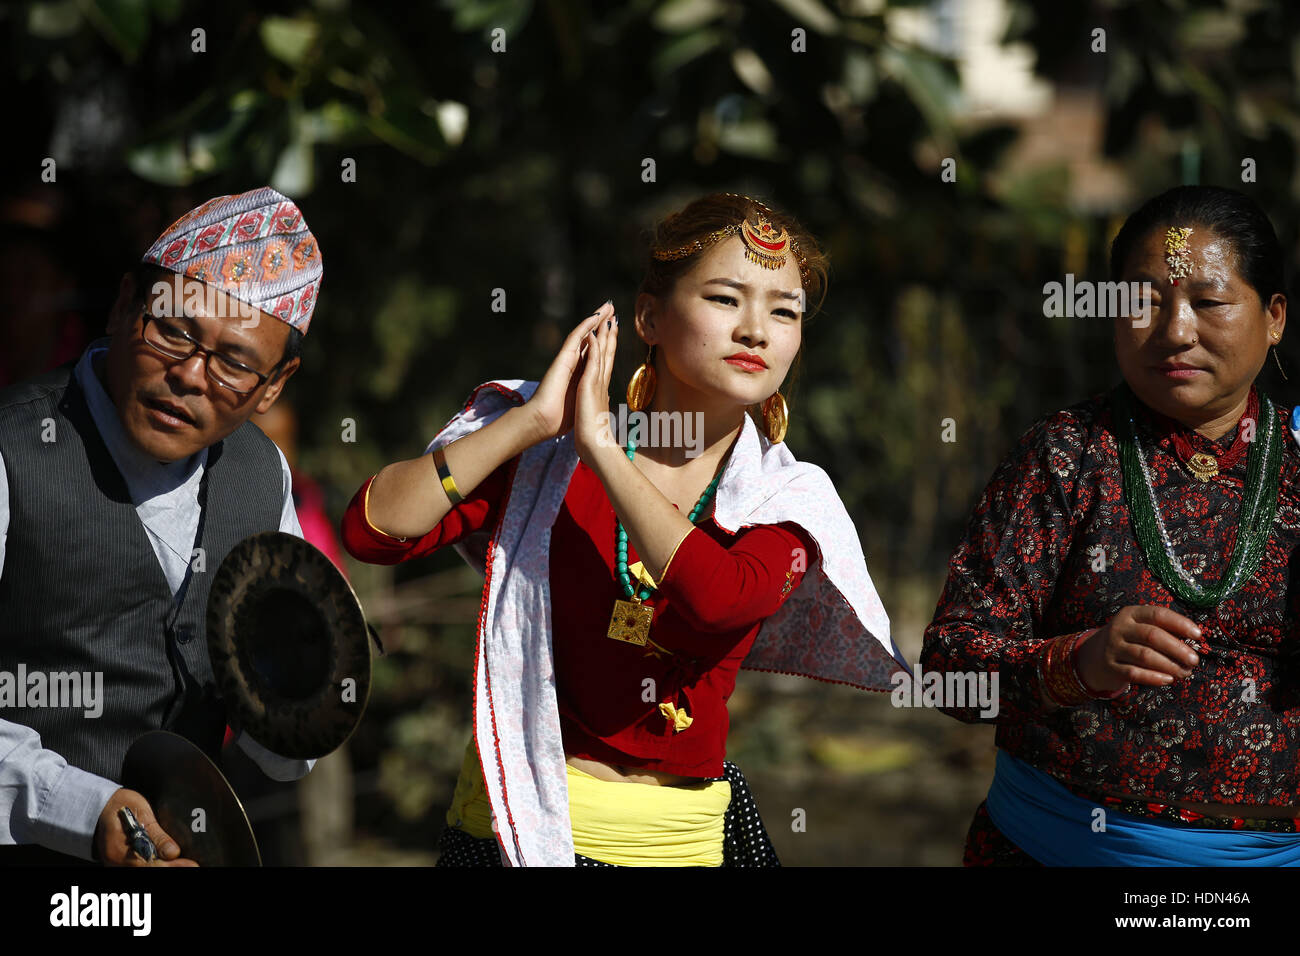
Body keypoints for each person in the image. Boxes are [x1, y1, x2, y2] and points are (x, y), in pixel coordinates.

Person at [341, 193, 903, 866]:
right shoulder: (546, 460)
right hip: (512, 834)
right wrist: (527, 425)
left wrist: (604, 451)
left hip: (672, 848)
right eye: (727, 299)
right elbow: (374, 532)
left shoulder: (785, 499)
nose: (757, 330)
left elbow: (721, 597)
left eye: (784, 311)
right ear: (649, 317)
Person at [922, 184, 1300, 865]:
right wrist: (1079, 664)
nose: (1175, 330)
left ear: (1273, 316)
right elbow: (950, 668)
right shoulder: (1065, 454)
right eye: (1143, 301)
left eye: (1209, 303)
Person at [0, 186, 323, 866]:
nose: (189, 376)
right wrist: (77, 808)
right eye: (172, 330)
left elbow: (287, 739)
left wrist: (300, 705)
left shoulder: (263, 478)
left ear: (273, 385)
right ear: (123, 306)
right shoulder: (15, 455)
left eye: (234, 363)